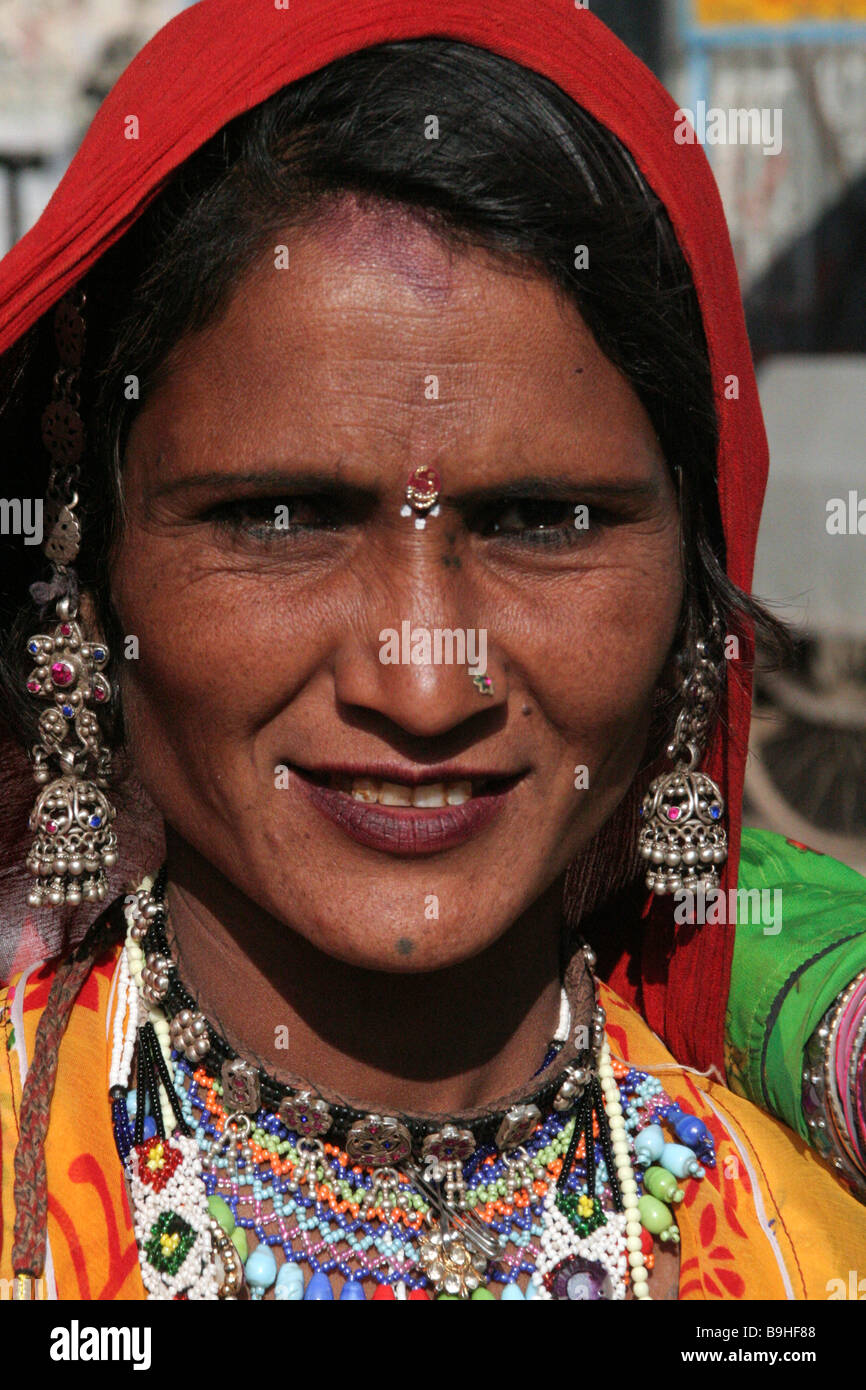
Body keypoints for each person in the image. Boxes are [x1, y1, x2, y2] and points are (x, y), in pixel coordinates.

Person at [0, 0, 865, 1302]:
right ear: (86, 556)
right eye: (280, 517)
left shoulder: (795, 1257)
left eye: (540, 521)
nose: (418, 684)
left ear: (694, 592)